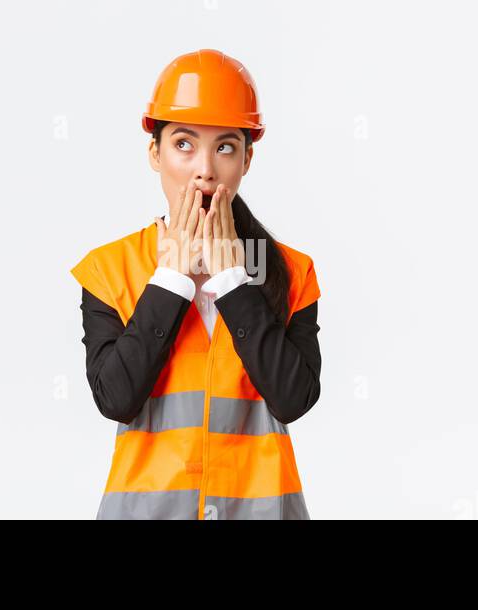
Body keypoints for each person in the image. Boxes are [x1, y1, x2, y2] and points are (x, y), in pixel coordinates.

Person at [70, 49, 322, 520]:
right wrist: (171, 279)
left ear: (247, 159)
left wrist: (232, 279)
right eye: (184, 144)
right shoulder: (110, 269)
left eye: (225, 147)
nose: (205, 169)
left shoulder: (292, 270)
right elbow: (116, 399)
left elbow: (293, 399)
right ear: (155, 152)